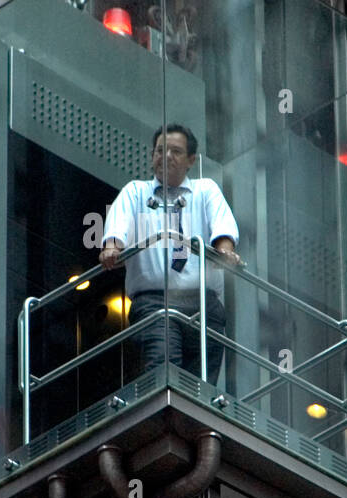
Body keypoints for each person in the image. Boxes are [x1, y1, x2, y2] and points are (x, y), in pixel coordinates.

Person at [99, 124, 241, 382]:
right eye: (160, 150)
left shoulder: (205, 189)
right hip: (154, 302)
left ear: (191, 160)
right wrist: (111, 248)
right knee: (164, 375)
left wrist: (225, 251)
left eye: (175, 151)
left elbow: (222, 228)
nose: (166, 157)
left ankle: (195, 423)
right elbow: (117, 228)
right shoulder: (136, 192)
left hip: (203, 302)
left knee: (202, 385)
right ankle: (166, 421)